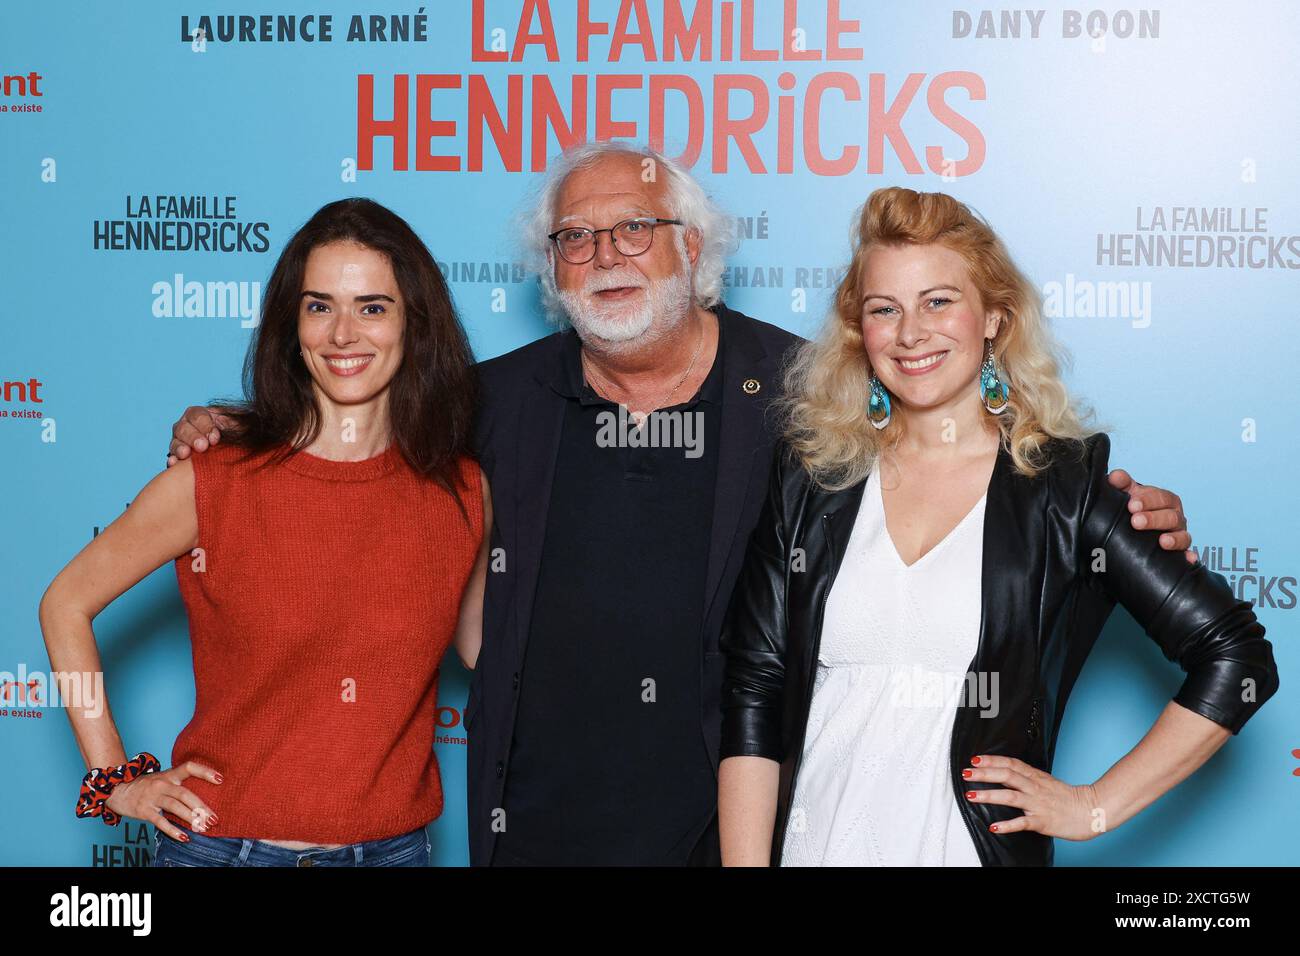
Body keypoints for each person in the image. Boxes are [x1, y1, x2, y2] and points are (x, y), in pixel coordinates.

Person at [167, 143, 1193, 867]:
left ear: (695, 250)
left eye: (635, 229)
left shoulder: (809, 399)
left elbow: (969, 472)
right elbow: (350, 441)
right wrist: (234, 427)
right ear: (549, 270)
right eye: (575, 238)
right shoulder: (492, 404)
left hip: (746, 836)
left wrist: (1117, 515)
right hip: (533, 840)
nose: (605, 255)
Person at [716, 187, 1280, 867]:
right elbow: (755, 689)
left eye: (939, 301)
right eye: (883, 309)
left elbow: (1235, 655)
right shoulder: (811, 480)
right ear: (858, 331)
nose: (911, 333)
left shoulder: (1063, 489)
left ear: (993, 319)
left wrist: (1093, 804)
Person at [41, 198, 491, 867]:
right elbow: (64, 603)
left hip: (394, 853)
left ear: (414, 325)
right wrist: (112, 779)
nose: (343, 333)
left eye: (372, 306)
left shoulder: (462, 491)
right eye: (319, 306)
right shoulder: (212, 480)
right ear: (291, 324)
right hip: (223, 851)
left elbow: (484, 649)